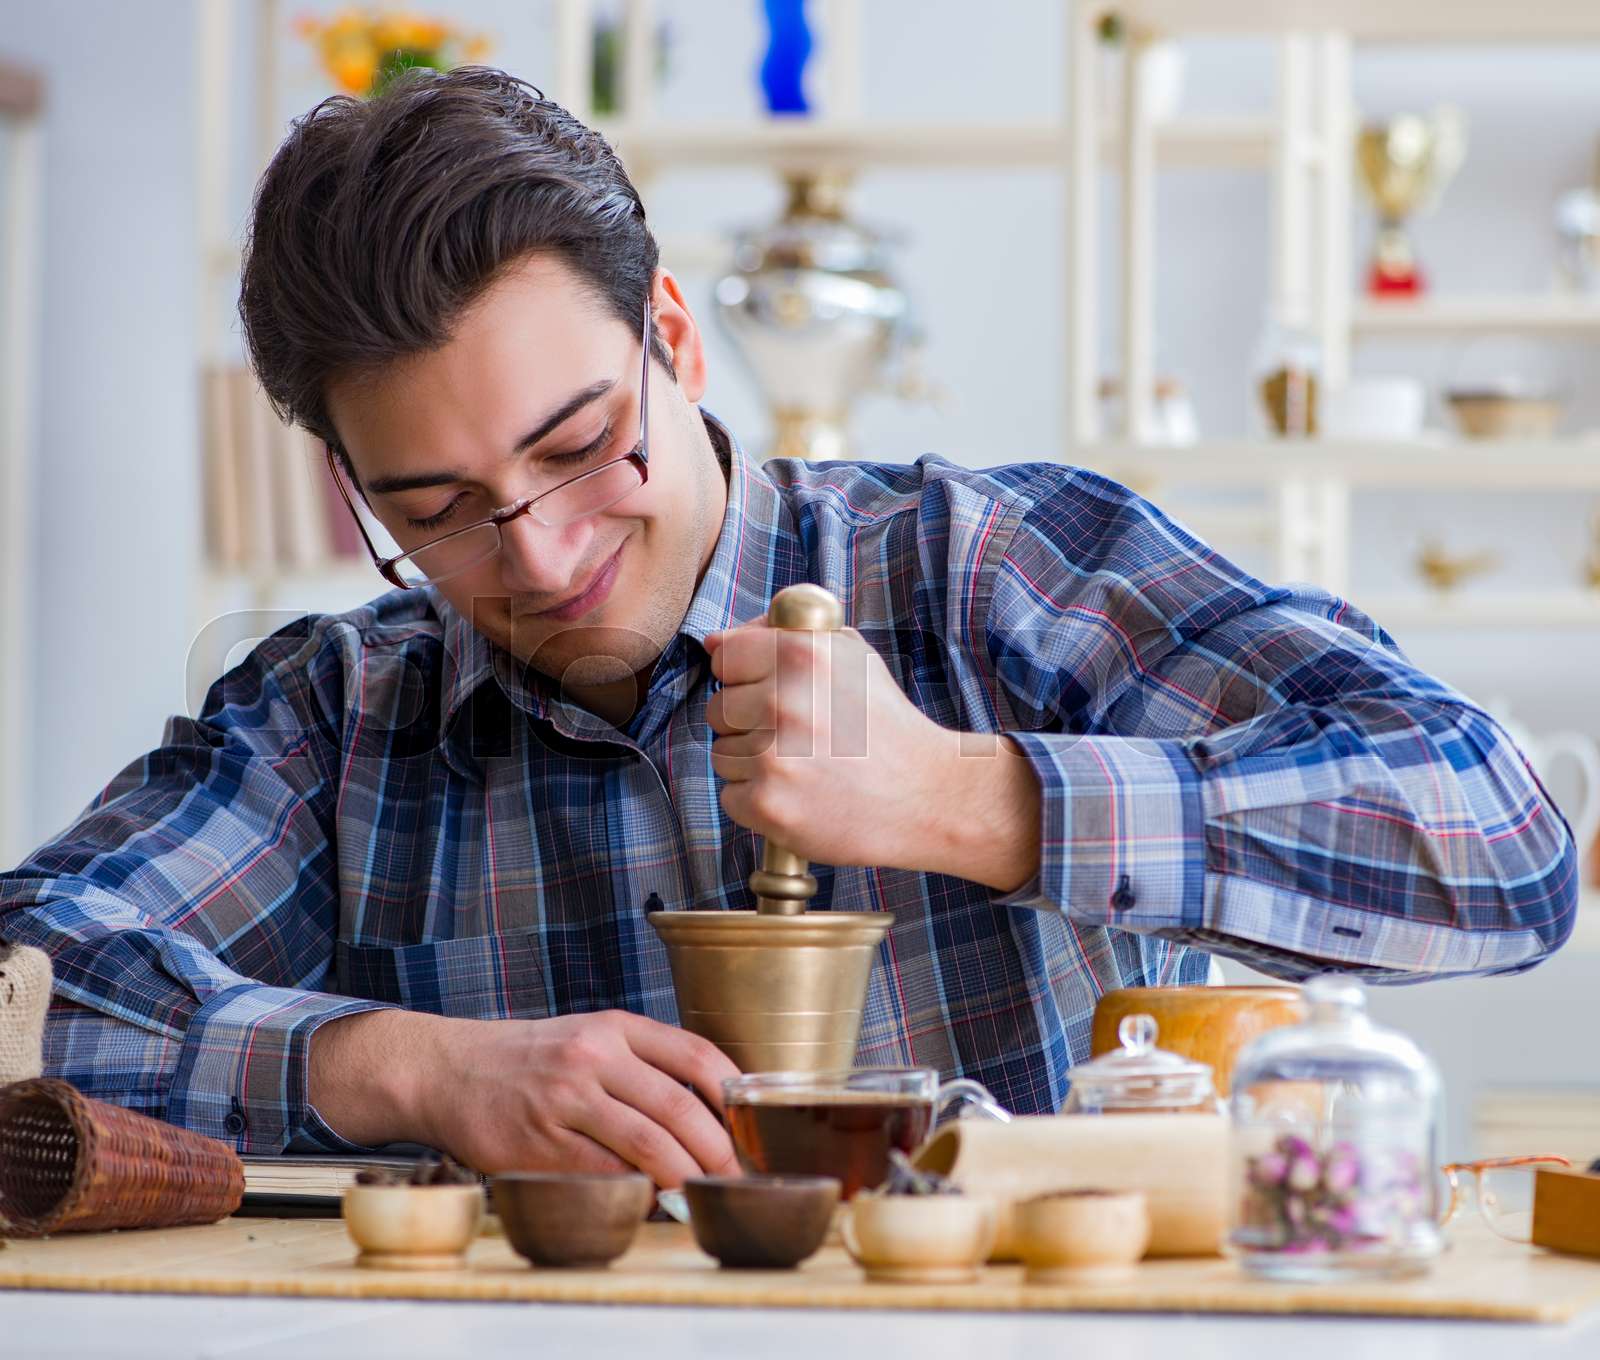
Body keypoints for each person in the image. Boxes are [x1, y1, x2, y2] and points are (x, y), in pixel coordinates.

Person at [0, 69, 1577, 1187]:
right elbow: (24, 982)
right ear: (355, 488)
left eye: (579, 446)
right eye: (438, 509)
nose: (541, 555)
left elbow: (1503, 840)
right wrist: (397, 1066)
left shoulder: (989, 569)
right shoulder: (333, 719)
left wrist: (971, 798)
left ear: (675, 340)